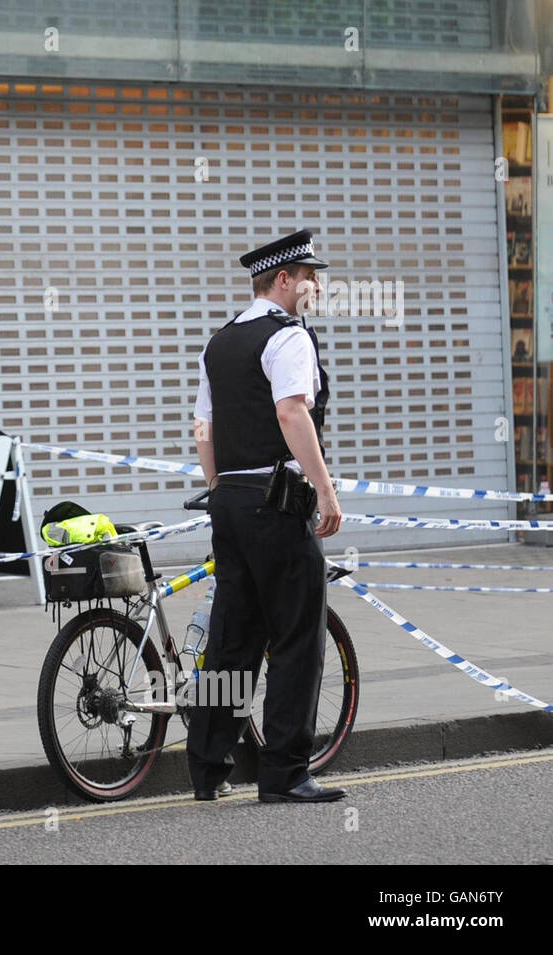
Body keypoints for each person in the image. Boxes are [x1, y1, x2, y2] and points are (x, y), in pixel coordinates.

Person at [188, 229, 346, 804]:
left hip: (229, 501)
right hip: (278, 503)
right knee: (297, 635)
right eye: (310, 278)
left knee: (231, 639)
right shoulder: (289, 337)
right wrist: (326, 491)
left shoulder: (219, 341)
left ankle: (207, 770)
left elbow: (203, 428)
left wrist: (217, 488)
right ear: (284, 281)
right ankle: (283, 773)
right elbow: (291, 414)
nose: (317, 287)